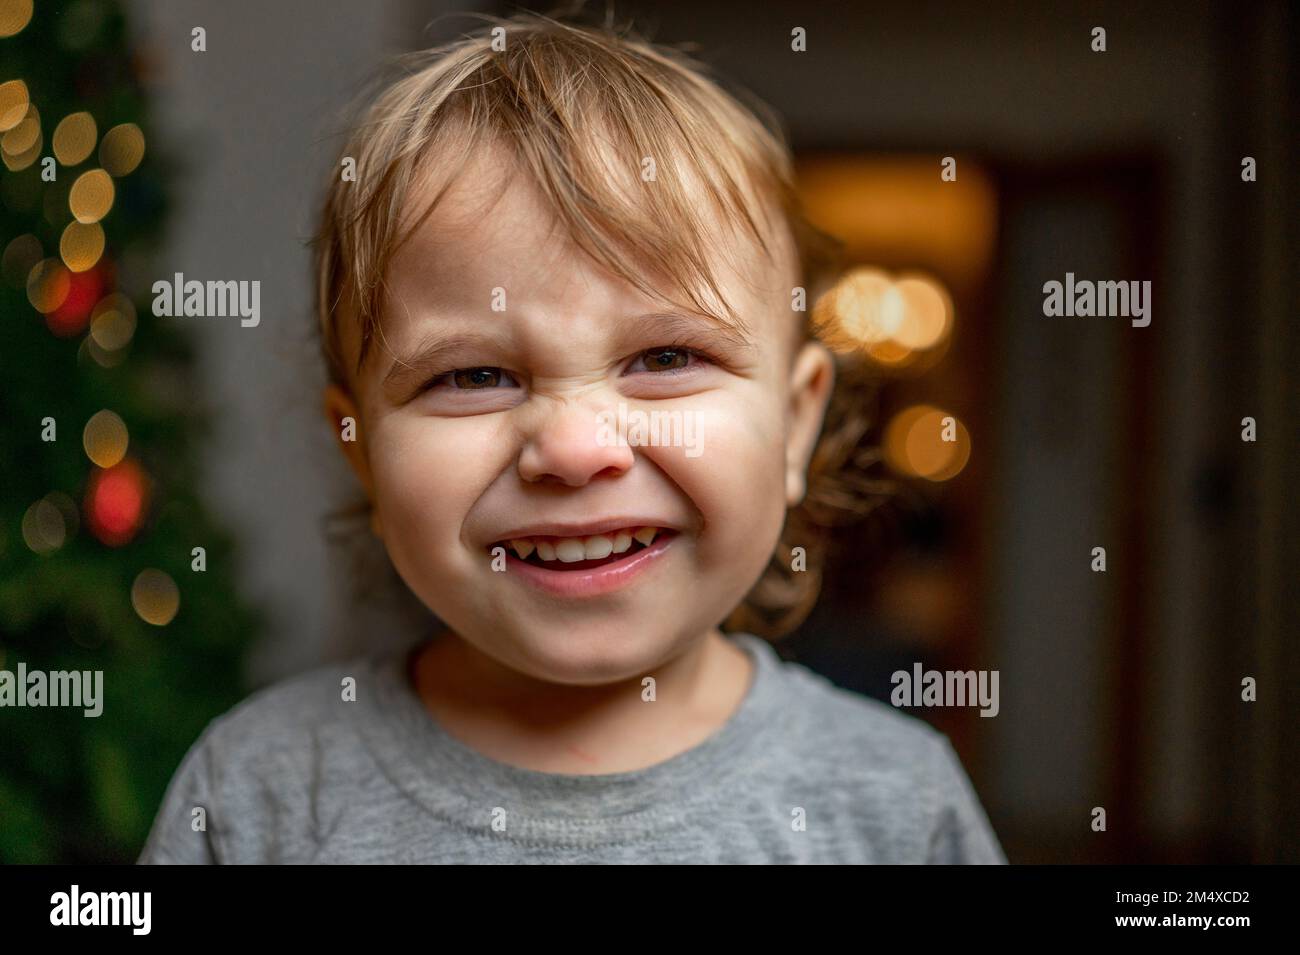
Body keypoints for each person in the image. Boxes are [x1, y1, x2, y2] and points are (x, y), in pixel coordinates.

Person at [139, 13, 1006, 864]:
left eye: (667, 356)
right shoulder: (260, 793)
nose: (576, 445)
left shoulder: (894, 800)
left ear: (793, 425)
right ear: (359, 446)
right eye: (473, 376)